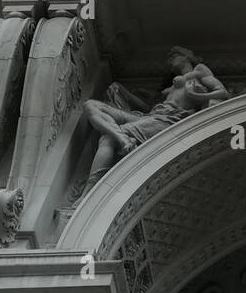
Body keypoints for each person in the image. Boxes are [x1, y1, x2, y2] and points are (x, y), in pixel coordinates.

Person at [81, 46, 227, 191]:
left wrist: (198, 96)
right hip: (152, 117)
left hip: (168, 122)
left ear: (187, 57)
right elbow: (150, 108)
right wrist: (124, 92)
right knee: (91, 105)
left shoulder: (199, 71)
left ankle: (89, 188)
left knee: (106, 139)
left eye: (174, 55)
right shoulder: (169, 87)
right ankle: (121, 137)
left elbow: (222, 92)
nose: (170, 61)